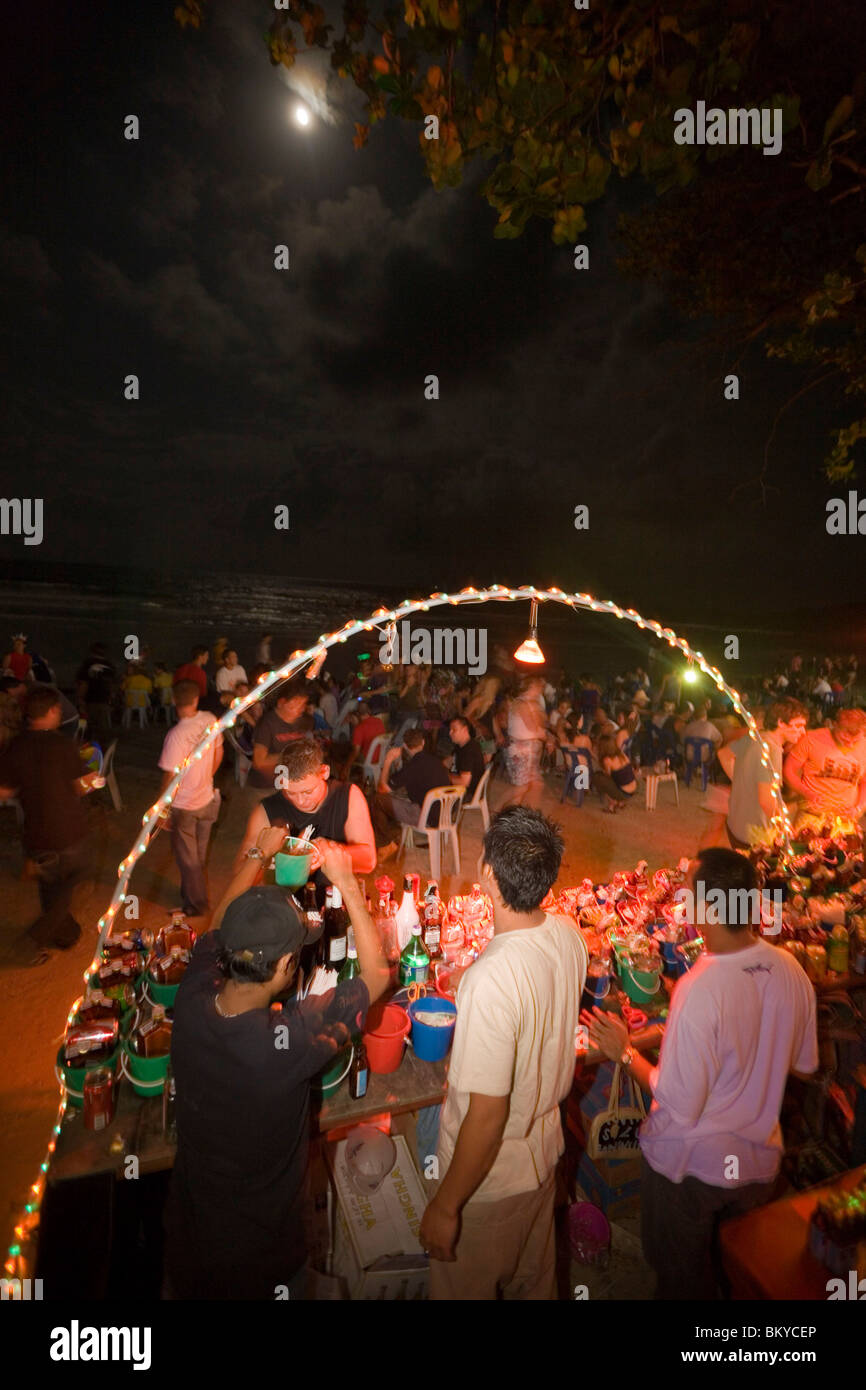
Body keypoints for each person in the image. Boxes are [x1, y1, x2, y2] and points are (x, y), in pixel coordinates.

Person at [588, 848, 817, 1301]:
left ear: (709, 908)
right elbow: (803, 1062)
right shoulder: (791, 969)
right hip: (757, 1167)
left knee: (682, 1284)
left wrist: (624, 1051)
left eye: (690, 892)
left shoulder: (700, 989)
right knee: (736, 1271)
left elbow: (678, 1101)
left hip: (688, 1171)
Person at [165, 837, 388, 1300]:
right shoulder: (290, 1040)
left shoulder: (192, 995)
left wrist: (257, 855)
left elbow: (214, 928)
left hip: (191, 1238)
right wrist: (347, 883)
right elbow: (378, 976)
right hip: (262, 1256)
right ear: (287, 965)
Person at [420, 807, 588, 1299]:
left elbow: (487, 1116)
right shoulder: (568, 933)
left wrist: (446, 1206)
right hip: (542, 1160)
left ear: (487, 874)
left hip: (487, 1185)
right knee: (532, 1285)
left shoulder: (491, 979)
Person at [0, 685, 101, 962]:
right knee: (68, 886)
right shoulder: (62, 745)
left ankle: (64, 934)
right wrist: (97, 778)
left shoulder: (15, 747)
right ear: (53, 711)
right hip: (68, 834)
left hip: (36, 837)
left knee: (50, 886)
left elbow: (5, 792)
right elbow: (83, 786)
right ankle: (31, 942)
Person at [236, 737, 376, 884]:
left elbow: (369, 861)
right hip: (284, 901)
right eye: (290, 793)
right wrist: (266, 855)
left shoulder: (347, 795)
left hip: (334, 898)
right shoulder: (267, 810)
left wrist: (324, 852)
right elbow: (239, 874)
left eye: (308, 792)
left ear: (324, 772)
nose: (301, 801)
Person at [157, 680, 224, 918]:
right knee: (197, 854)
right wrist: (205, 778)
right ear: (196, 699)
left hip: (185, 806)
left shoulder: (176, 735)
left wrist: (161, 809)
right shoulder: (209, 720)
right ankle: (190, 895)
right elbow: (219, 752)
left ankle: (196, 906)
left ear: (174, 700)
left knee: (189, 860)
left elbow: (170, 775)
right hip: (208, 800)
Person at [719, 699, 808, 849]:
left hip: (735, 824)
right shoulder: (773, 750)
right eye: (798, 726)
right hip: (755, 833)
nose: (803, 732)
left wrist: (745, 784)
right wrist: (784, 826)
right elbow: (767, 802)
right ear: (780, 722)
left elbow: (724, 755)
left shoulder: (757, 736)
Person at [373, 726, 450, 860]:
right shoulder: (436, 761)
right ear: (423, 743)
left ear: (404, 746)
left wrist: (388, 760)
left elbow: (382, 789)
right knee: (395, 800)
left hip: (426, 816)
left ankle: (385, 844)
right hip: (444, 813)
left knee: (378, 800)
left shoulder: (413, 766)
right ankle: (393, 836)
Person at [783, 707, 866, 823]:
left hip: (845, 821)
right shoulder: (812, 738)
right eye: (844, 739)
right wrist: (806, 792)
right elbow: (788, 770)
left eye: (855, 741)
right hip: (811, 817)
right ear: (835, 725)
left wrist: (859, 808)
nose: (850, 745)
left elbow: (864, 782)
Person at [248, 678, 316, 789]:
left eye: (303, 704)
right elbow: (259, 761)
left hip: (291, 783)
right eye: (296, 705)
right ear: (281, 703)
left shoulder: (306, 721)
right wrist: (291, 755)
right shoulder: (267, 724)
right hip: (267, 786)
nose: (301, 709)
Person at [504, 675, 548, 808]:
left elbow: (541, 723)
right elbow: (533, 727)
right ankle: (501, 810)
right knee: (521, 787)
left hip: (527, 749)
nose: (541, 690)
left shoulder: (529, 703)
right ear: (531, 687)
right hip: (521, 749)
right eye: (539, 687)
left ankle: (520, 814)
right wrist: (543, 734)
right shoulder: (521, 704)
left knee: (535, 785)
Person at [75, 643, 116, 748]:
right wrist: (111, 700)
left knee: (87, 728)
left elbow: (83, 683)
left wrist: (80, 700)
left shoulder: (87, 664)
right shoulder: (110, 666)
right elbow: (112, 685)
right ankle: (101, 754)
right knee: (103, 729)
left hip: (90, 700)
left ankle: (87, 754)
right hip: (104, 701)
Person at [593, 735, 637, 812]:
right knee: (617, 778)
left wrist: (596, 758)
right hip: (633, 789)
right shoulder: (621, 754)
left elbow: (608, 776)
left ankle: (612, 803)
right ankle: (620, 802)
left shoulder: (607, 760)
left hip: (623, 792)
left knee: (597, 778)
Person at [448, 715, 485, 799]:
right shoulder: (461, 744)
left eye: (454, 730)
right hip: (460, 785)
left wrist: (444, 776)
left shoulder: (469, 751)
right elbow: (449, 760)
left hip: (467, 793)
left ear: (464, 730)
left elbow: (464, 782)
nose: (450, 733)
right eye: (450, 730)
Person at [682, 701, 723, 765]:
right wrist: (714, 749)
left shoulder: (689, 726)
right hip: (705, 758)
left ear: (694, 716)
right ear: (705, 716)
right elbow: (720, 739)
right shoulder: (709, 725)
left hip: (689, 757)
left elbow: (682, 740)